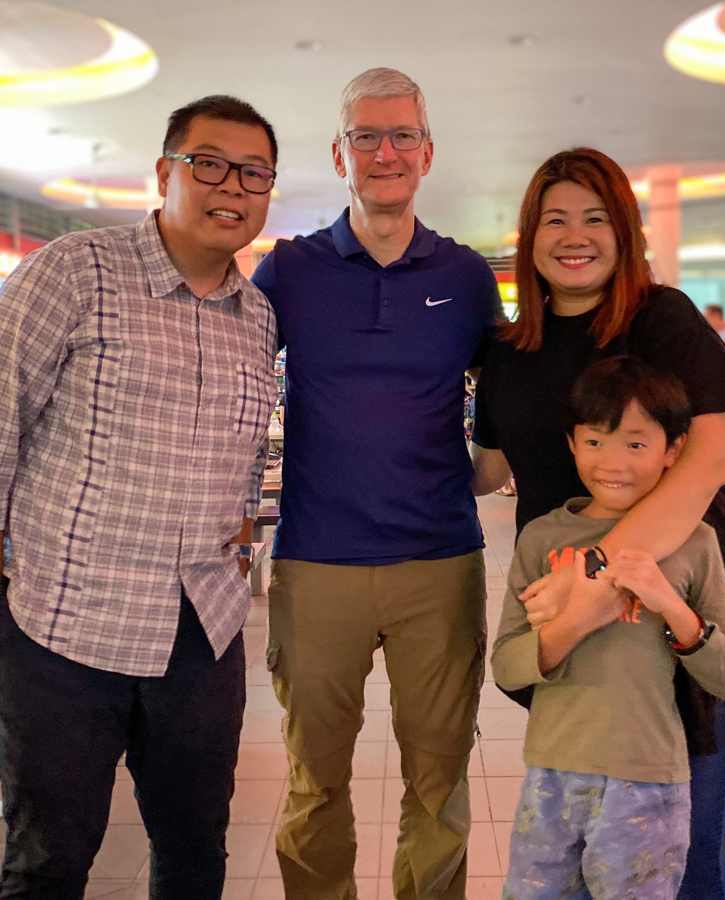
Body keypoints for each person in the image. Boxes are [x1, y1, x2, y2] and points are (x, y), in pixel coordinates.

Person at [0, 95, 278, 898]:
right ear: (164, 173)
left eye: (255, 172)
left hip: (202, 639)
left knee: (195, 854)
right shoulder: (73, 272)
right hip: (61, 635)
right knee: (48, 865)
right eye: (210, 163)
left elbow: (238, 465)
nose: (233, 185)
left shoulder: (257, 316)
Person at [470, 147, 725, 900]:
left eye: (596, 218)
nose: (574, 236)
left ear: (624, 231)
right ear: (529, 235)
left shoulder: (663, 320)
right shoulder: (510, 352)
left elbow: (705, 464)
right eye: (555, 219)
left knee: (684, 871)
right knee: (593, 868)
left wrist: (589, 582)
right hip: (580, 660)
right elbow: (486, 469)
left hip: (687, 621)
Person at [251, 67, 499, 899]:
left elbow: (515, 395)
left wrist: (505, 471)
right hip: (317, 562)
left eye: (402, 136)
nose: (384, 152)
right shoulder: (289, 271)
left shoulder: (466, 277)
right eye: (366, 137)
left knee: (439, 784)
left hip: (440, 564)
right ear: (339, 154)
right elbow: (223, 382)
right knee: (313, 781)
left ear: (427, 153)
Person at [493, 356, 725, 899]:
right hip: (552, 774)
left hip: (649, 780)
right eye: (594, 441)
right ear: (572, 443)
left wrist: (669, 605)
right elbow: (507, 667)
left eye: (636, 443)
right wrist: (578, 619)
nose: (613, 462)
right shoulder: (543, 538)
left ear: (673, 449)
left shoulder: (693, 541)